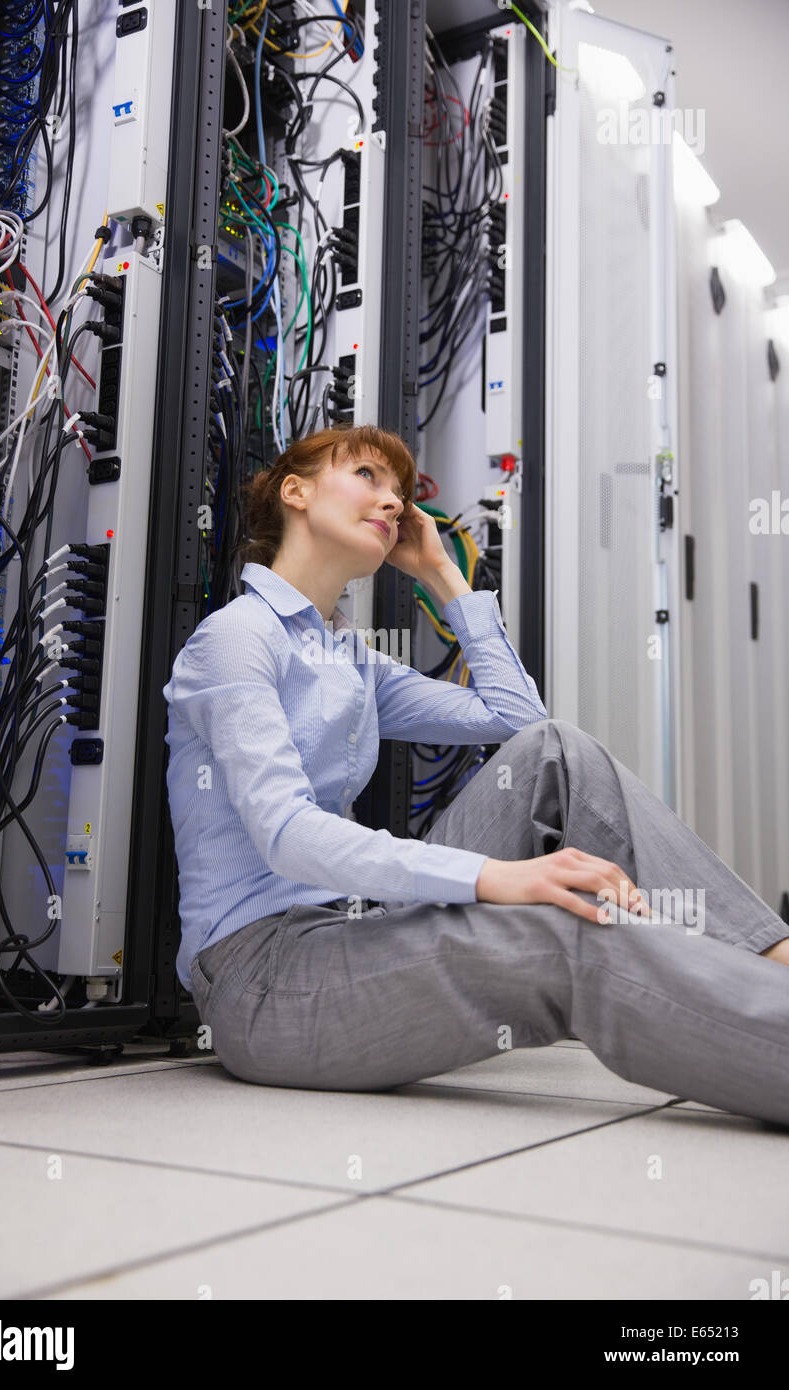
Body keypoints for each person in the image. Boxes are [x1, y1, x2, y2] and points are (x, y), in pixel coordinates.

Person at [162, 424, 789, 1126]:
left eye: (400, 493)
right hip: (267, 978)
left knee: (561, 752)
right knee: (569, 928)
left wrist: (443, 576)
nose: (394, 502)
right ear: (296, 491)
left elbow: (520, 721)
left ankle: (774, 955)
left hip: (354, 928)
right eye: (369, 476)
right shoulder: (236, 639)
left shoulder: (348, 655)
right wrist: (501, 879)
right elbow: (288, 837)